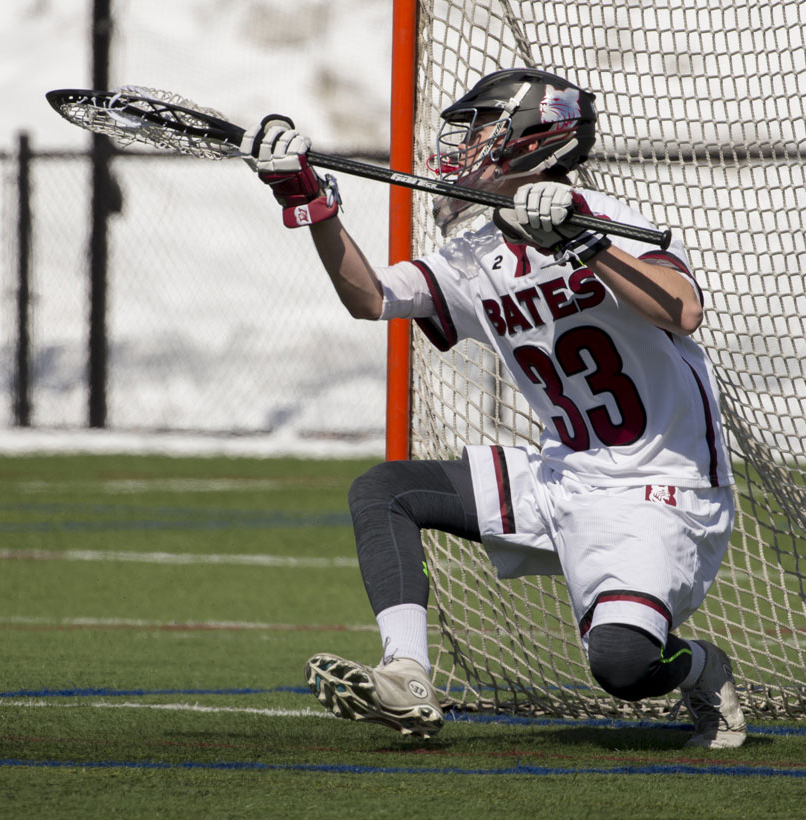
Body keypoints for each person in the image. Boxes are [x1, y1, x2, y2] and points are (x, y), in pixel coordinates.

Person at [250, 67, 745, 749]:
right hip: (563, 473)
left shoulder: (609, 218)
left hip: (659, 491)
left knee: (623, 667)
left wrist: (582, 239)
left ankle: (699, 667)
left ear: (530, 135)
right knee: (388, 490)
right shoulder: (476, 253)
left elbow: (682, 309)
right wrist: (311, 202)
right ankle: (407, 675)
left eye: (479, 126)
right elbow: (370, 298)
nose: (461, 145)